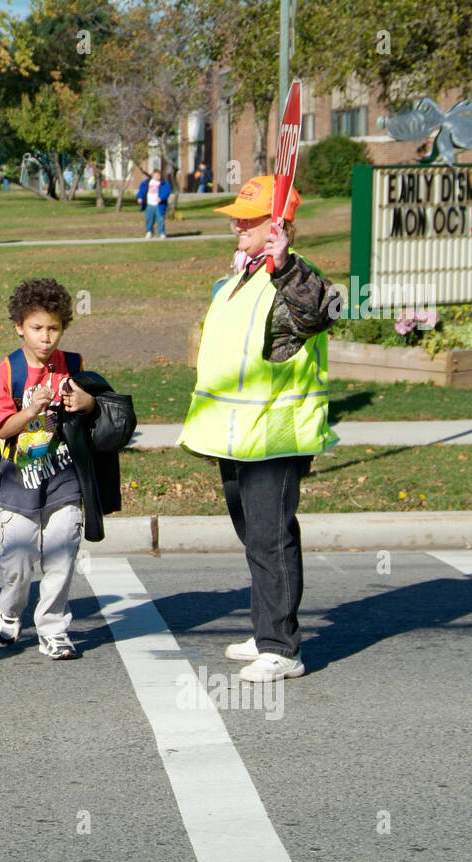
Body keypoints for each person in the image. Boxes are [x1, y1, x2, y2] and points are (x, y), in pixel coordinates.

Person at [178, 175, 341, 682]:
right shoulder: (242, 275)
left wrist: (285, 264)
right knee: (255, 539)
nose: (236, 224)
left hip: (275, 435)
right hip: (237, 434)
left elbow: (319, 312)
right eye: (237, 216)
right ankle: (268, 626)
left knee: (271, 539)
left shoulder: (295, 276)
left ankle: (282, 648)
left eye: (248, 219)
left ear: (278, 225)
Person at [0, 278, 95, 660]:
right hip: (20, 481)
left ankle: (53, 626)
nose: (46, 338)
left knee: (63, 551)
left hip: (64, 477)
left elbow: (96, 409)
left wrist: (86, 402)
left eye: (53, 328)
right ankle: (10, 609)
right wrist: (31, 409)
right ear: (19, 326)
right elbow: (1, 427)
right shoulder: (9, 370)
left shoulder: (74, 365)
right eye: (37, 328)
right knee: (18, 558)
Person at [138, 169, 171, 239]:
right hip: (149, 204)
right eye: (156, 175)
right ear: (152, 176)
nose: (158, 177)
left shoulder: (164, 183)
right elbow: (142, 190)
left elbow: (167, 191)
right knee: (149, 218)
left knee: (160, 219)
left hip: (159, 205)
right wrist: (140, 197)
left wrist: (161, 198)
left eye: (159, 175)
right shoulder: (147, 182)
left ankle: (161, 232)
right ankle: (149, 232)